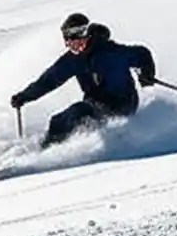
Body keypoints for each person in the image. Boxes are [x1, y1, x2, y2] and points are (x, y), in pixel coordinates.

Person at [10, 13, 157, 147]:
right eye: (68, 41)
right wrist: (24, 96)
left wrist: (147, 74)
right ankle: (46, 149)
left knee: (78, 112)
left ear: (85, 34)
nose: (73, 45)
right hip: (94, 104)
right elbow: (49, 81)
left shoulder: (110, 52)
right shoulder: (73, 60)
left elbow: (142, 53)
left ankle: (53, 150)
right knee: (59, 120)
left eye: (75, 39)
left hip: (122, 103)